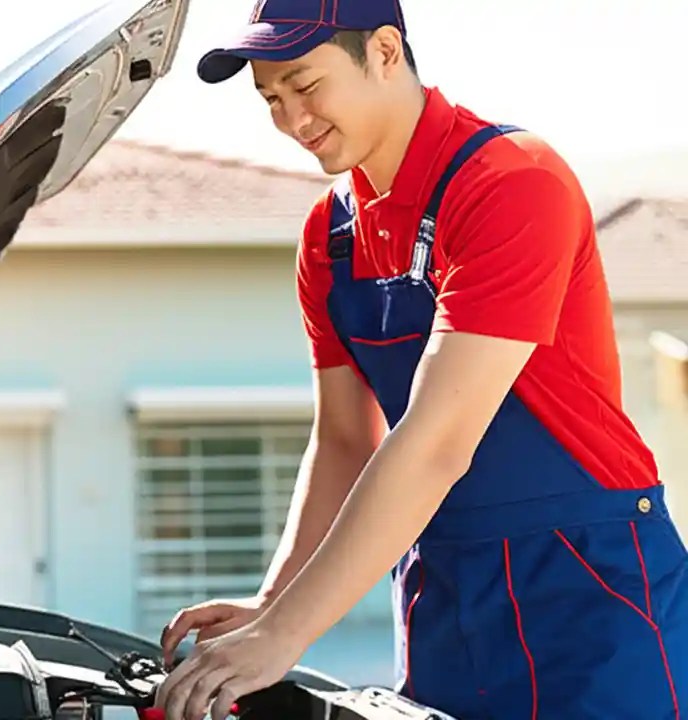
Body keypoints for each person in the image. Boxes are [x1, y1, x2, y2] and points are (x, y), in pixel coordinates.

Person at [152, 1, 688, 719]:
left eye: (306, 87)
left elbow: (438, 440)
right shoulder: (329, 237)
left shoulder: (510, 183)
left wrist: (286, 634)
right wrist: (272, 602)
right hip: (443, 595)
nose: (291, 120)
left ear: (383, 50)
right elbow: (345, 440)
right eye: (271, 99)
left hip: (588, 590)